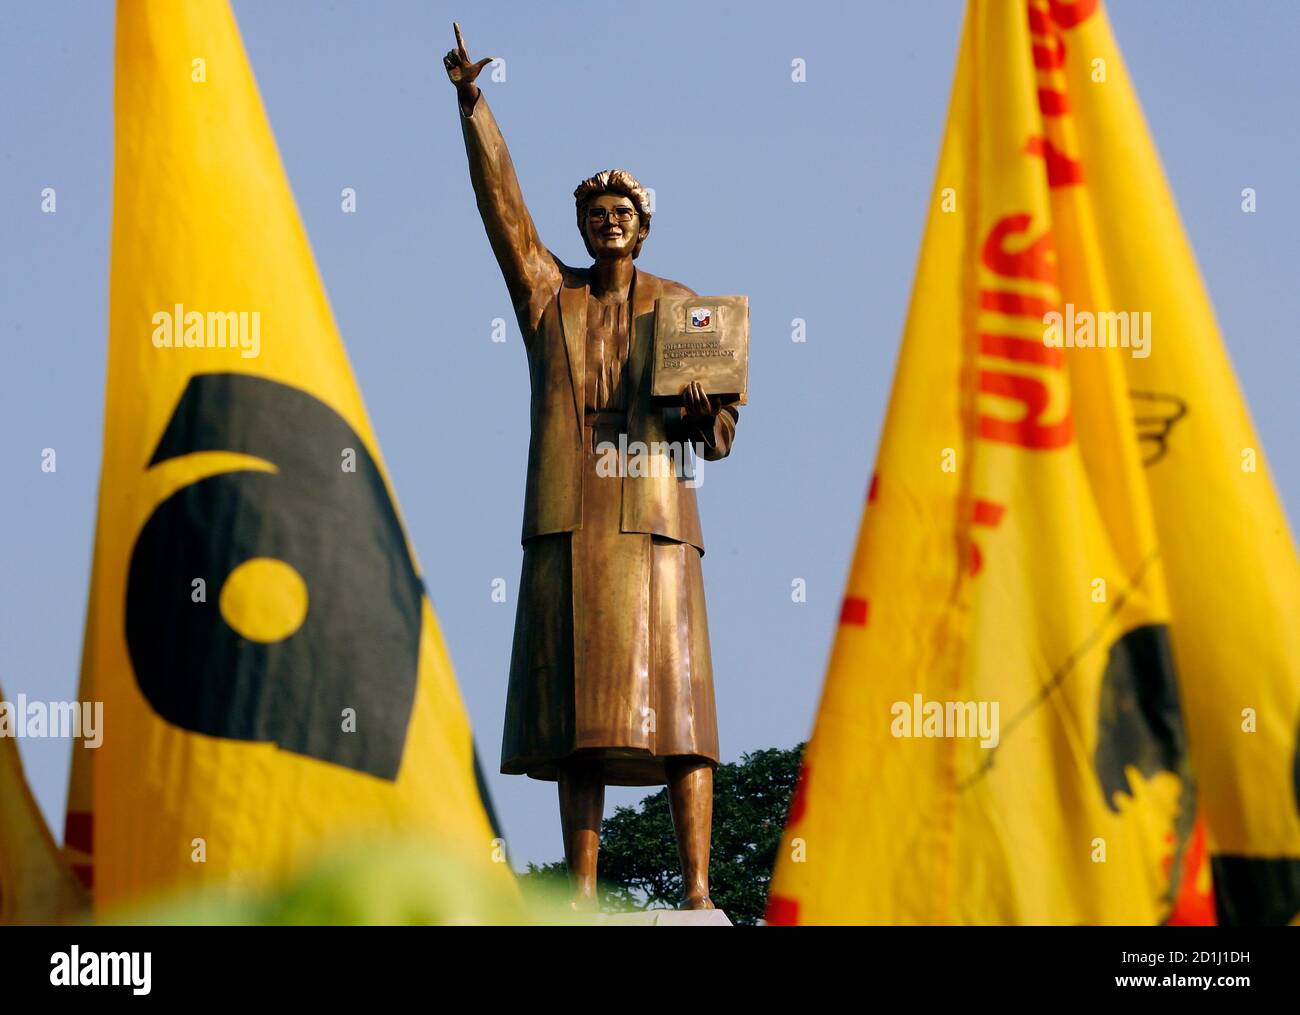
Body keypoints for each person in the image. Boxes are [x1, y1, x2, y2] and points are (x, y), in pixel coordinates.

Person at [445, 24, 740, 910]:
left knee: (683, 717)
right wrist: (474, 108)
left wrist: (702, 415)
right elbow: (503, 213)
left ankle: (695, 893)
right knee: (579, 721)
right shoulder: (550, 297)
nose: (608, 222)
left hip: (655, 516)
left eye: (623, 213)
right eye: (594, 214)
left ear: (644, 228)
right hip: (570, 516)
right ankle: (578, 898)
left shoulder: (684, 308)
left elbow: (720, 433)